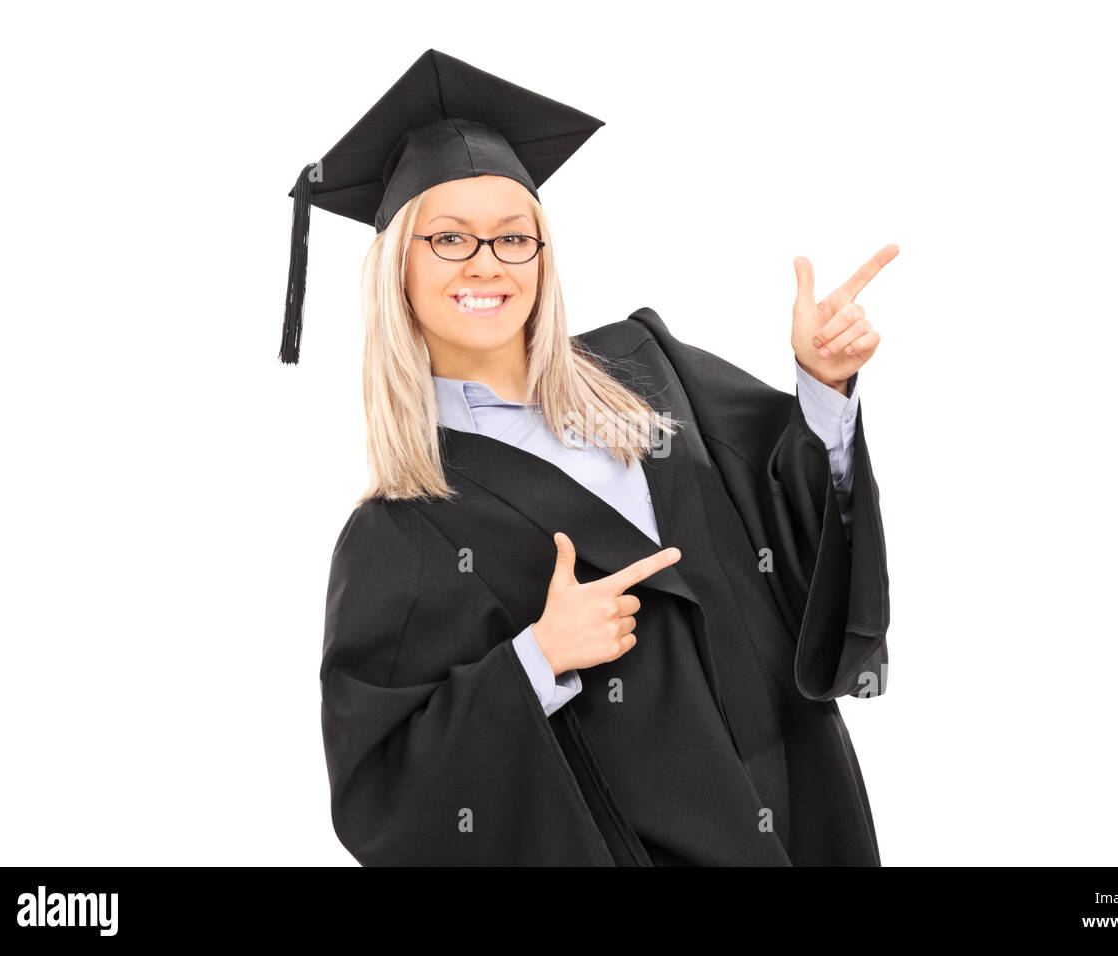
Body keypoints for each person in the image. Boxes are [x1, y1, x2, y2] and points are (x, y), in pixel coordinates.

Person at [290, 49, 894, 866]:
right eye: (448, 238)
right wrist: (536, 660)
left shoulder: (649, 367)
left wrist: (822, 388)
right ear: (399, 265)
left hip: (809, 809)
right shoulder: (402, 528)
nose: (486, 262)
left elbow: (796, 524)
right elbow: (381, 791)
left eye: (514, 238)